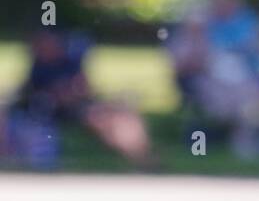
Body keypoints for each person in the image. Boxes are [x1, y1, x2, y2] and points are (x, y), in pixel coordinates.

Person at [11, 29, 156, 167]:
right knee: (103, 117)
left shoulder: (69, 63)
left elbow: (83, 88)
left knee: (122, 113)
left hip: (81, 105)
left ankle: (142, 154)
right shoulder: (39, 70)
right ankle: (140, 158)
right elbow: (41, 96)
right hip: (63, 112)